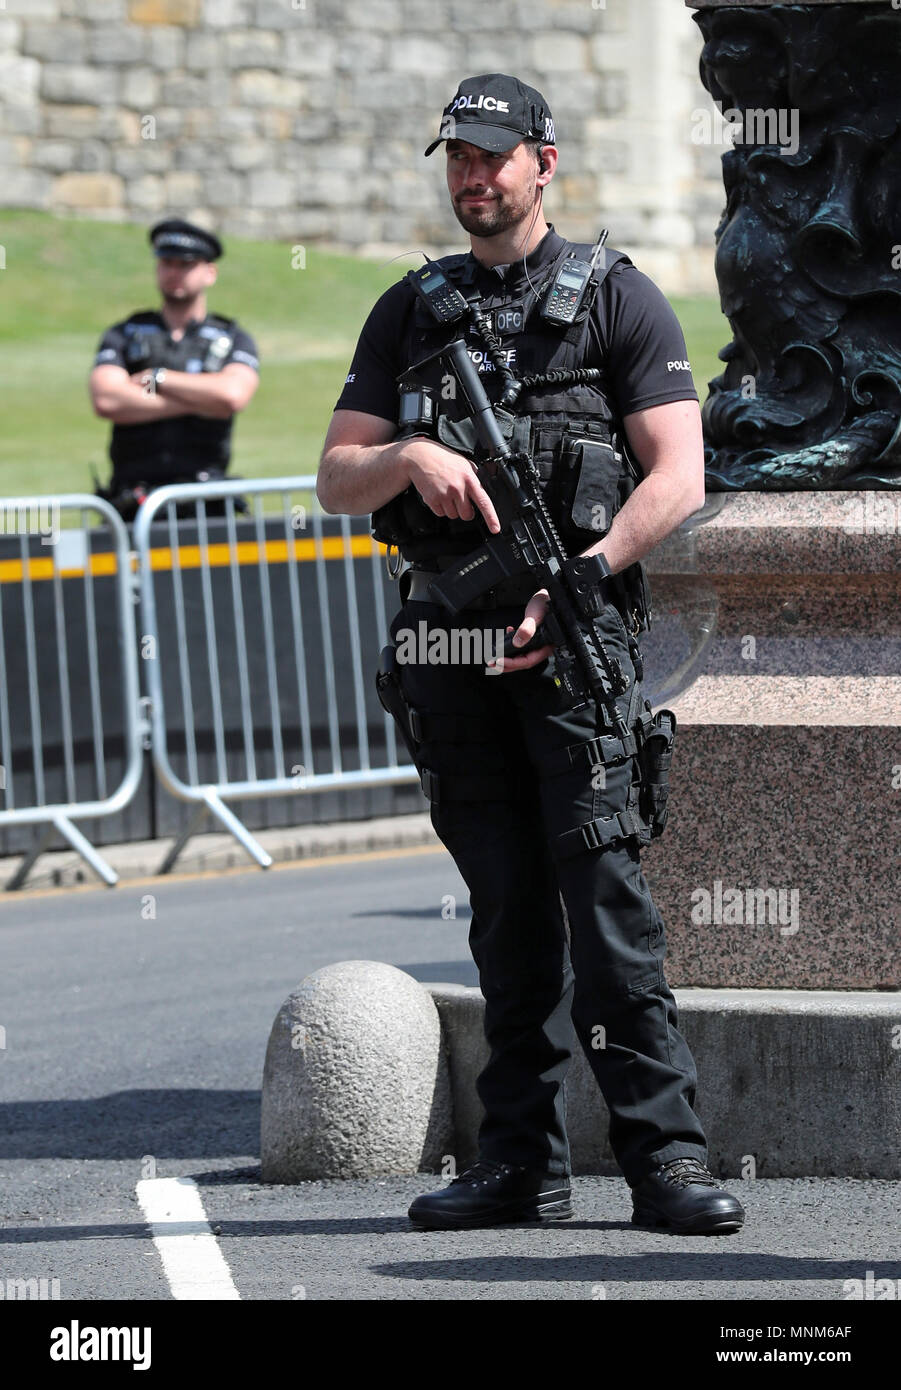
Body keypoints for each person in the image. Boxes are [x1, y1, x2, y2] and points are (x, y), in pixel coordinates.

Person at [317, 74, 746, 1235]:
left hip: (574, 645)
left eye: (493, 156)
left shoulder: (617, 298)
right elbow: (334, 475)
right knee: (502, 911)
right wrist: (408, 455)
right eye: (456, 156)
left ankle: (664, 1160)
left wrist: (585, 578)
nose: (471, 174)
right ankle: (517, 1163)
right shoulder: (410, 310)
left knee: (606, 910)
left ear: (542, 162)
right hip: (451, 652)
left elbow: (678, 476)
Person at [89, 218, 260, 520]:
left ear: (210, 272)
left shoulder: (232, 337)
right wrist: (201, 399)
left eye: (186, 264)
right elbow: (107, 399)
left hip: (204, 503)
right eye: (167, 262)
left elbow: (232, 396)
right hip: (133, 504)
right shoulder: (125, 334)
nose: (174, 272)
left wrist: (158, 378)